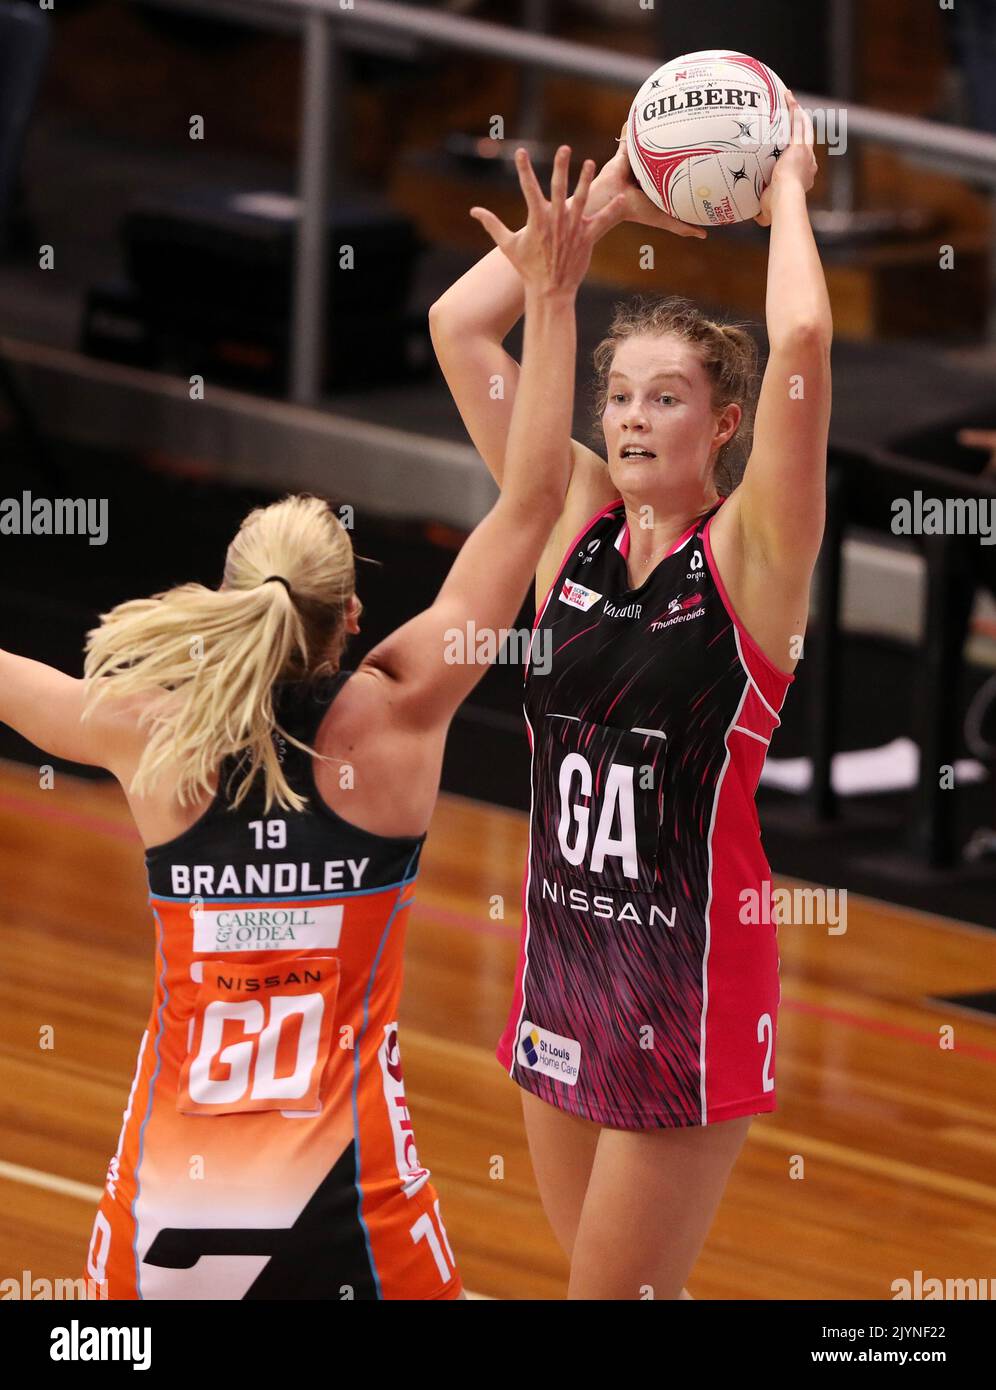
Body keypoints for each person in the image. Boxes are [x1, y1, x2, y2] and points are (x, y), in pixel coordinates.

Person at [0, 147, 624, 1300]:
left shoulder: (150, 737)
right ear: (351, 614)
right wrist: (554, 291)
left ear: (234, 593)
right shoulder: (395, 718)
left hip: (162, 1228)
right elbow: (536, 500)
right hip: (354, 1221)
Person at [429, 92, 831, 1299]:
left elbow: (803, 343)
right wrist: (598, 209)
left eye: (668, 398)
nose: (637, 418)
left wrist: (788, 192)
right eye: (620, 398)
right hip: (564, 963)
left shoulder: (753, 555)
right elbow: (460, 330)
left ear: (725, 424)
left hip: (689, 978)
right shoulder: (576, 523)